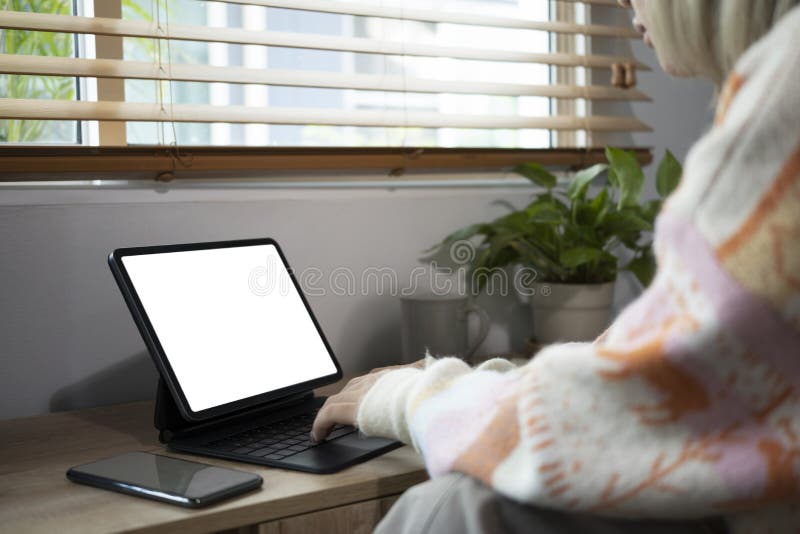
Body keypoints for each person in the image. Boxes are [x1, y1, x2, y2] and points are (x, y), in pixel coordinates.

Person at [311, 1, 800, 532]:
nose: (617, 3)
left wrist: (407, 396)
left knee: (455, 509)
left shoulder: (787, 84)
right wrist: (473, 382)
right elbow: (678, 374)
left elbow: (614, 420)